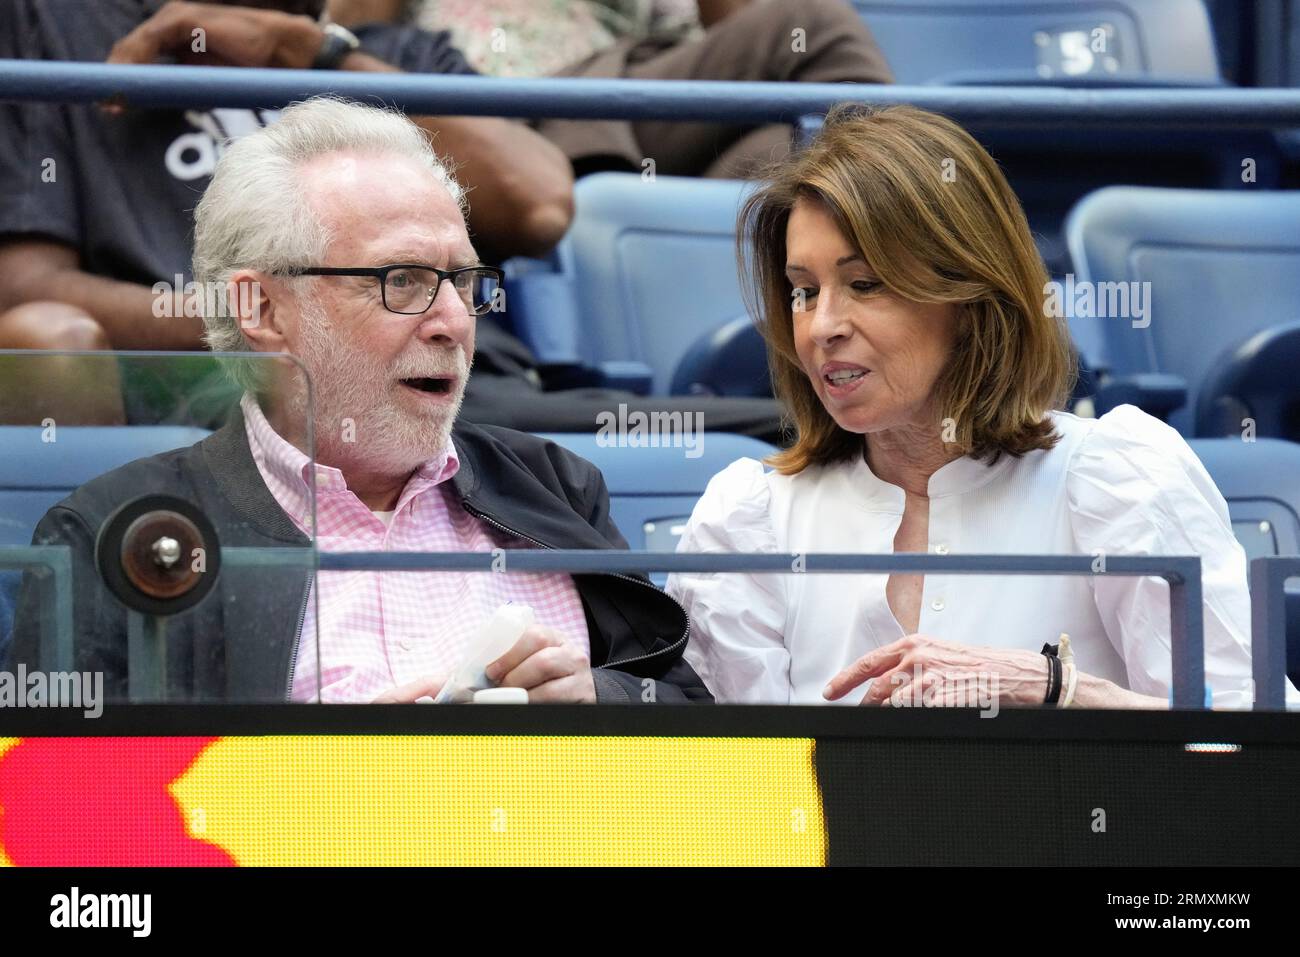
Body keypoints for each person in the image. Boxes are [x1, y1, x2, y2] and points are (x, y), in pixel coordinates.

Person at [9, 96, 709, 705]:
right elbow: (59, 808)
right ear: (261, 305)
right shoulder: (110, 534)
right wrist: (336, 775)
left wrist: (601, 698)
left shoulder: (556, 486)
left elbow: (698, 719)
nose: (454, 321)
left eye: (464, 280)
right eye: (402, 279)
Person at [666, 104, 1296, 709]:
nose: (822, 325)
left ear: (971, 299)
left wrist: (1059, 687)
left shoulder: (1117, 476)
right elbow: (729, 787)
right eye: (803, 291)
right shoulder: (749, 520)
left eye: (865, 284)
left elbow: (1246, 748)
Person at [334, 0, 895, 179]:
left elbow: (747, 34)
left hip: (642, 87)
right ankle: (912, 233)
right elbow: (347, 32)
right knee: (814, 23)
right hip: (495, 110)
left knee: (777, 151)